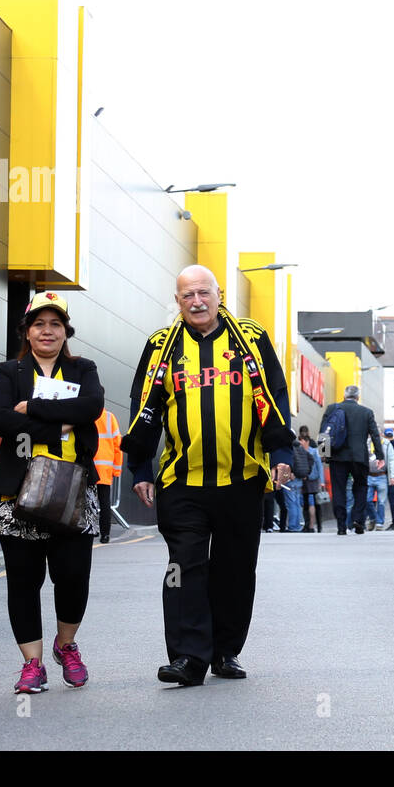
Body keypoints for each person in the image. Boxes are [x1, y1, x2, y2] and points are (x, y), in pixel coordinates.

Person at [125, 265, 294, 686]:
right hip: (182, 481)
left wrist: (281, 452)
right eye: (187, 295)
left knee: (235, 569)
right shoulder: (161, 345)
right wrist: (141, 468)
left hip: (242, 479)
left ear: (219, 295)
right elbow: (142, 406)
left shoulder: (250, 338)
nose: (196, 301)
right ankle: (187, 657)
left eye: (204, 292)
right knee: (184, 565)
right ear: (177, 301)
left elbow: (274, 393)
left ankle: (225, 651)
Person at [0, 292, 104, 694]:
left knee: (73, 578)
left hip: (71, 490)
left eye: (55, 324)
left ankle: (66, 645)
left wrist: (30, 410)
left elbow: (91, 408)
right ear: (27, 331)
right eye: (38, 324)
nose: (47, 331)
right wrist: (58, 426)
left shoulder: (83, 369)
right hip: (16, 494)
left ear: (65, 331)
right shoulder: (8, 371)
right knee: (23, 580)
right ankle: (31, 664)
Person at [319, 385, 384, 535]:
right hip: (359, 457)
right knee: (361, 487)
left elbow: (324, 430)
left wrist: (323, 453)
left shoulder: (332, 409)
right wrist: (380, 456)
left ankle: (341, 525)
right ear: (358, 397)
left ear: (344, 395)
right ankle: (358, 519)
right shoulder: (366, 412)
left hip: (337, 456)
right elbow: (375, 435)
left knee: (339, 489)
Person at [93, 408, 123, 544]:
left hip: (89, 466)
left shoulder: (87, 414)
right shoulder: (110, 418)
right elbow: (118, 445)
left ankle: (91, 529)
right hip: (104, 468)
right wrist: (116, 470)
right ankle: (105, 534)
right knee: (104, 502)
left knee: (86, 502)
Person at [366, 437, 391, 531]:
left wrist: (392, 475)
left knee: (381, 502)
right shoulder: (366, 443)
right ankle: (373, 518)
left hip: (382, 476)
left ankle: (379, 523)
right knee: (367, 500)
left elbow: (391, 459)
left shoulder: (386, 444)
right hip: (369, 476)